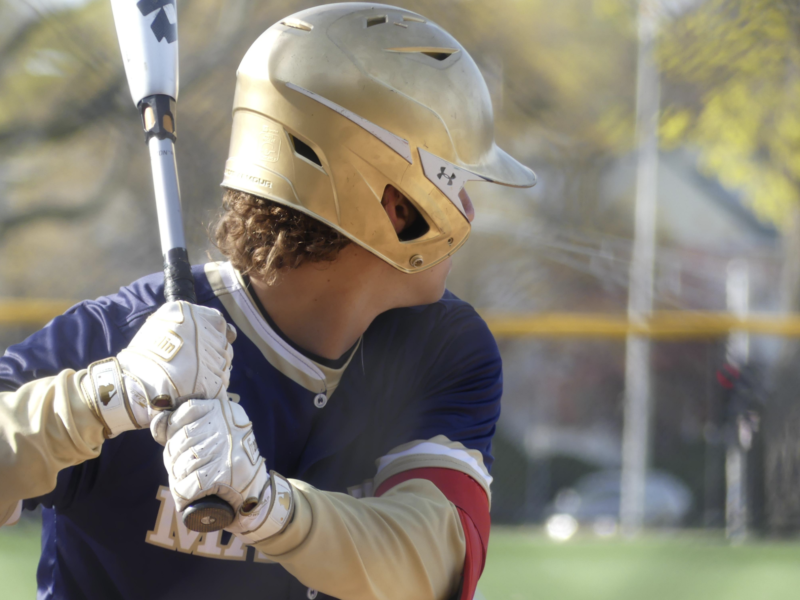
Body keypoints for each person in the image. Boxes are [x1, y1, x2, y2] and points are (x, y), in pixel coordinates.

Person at [0, 4, 535, 599]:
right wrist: (106, 398)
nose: (469, 210)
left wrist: (268, 507)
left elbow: (432, 568)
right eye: (453, 181)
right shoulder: (125, 336)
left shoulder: (444, 350)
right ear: (396, 204)